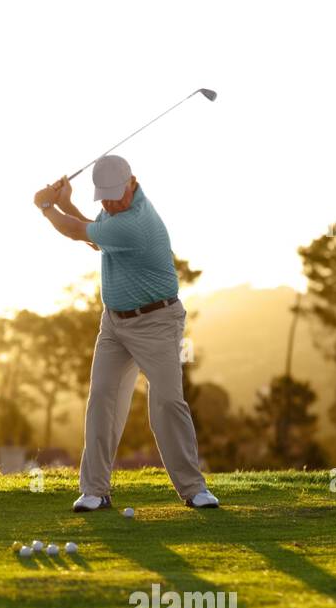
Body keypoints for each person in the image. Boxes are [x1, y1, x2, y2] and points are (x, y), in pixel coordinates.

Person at [33, 155, 219, 511]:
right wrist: (66, 202)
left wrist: (45, 206)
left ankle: (193, 488)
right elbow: (97, 238)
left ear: (132, 183)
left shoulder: (136, 223)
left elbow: (77, 232)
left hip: (157, 322)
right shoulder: (115, 211)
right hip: (114, 324)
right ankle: (95, 490)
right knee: (102, 399)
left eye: (116, 196)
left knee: (166, 402)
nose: (110, 204)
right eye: (103, 198)